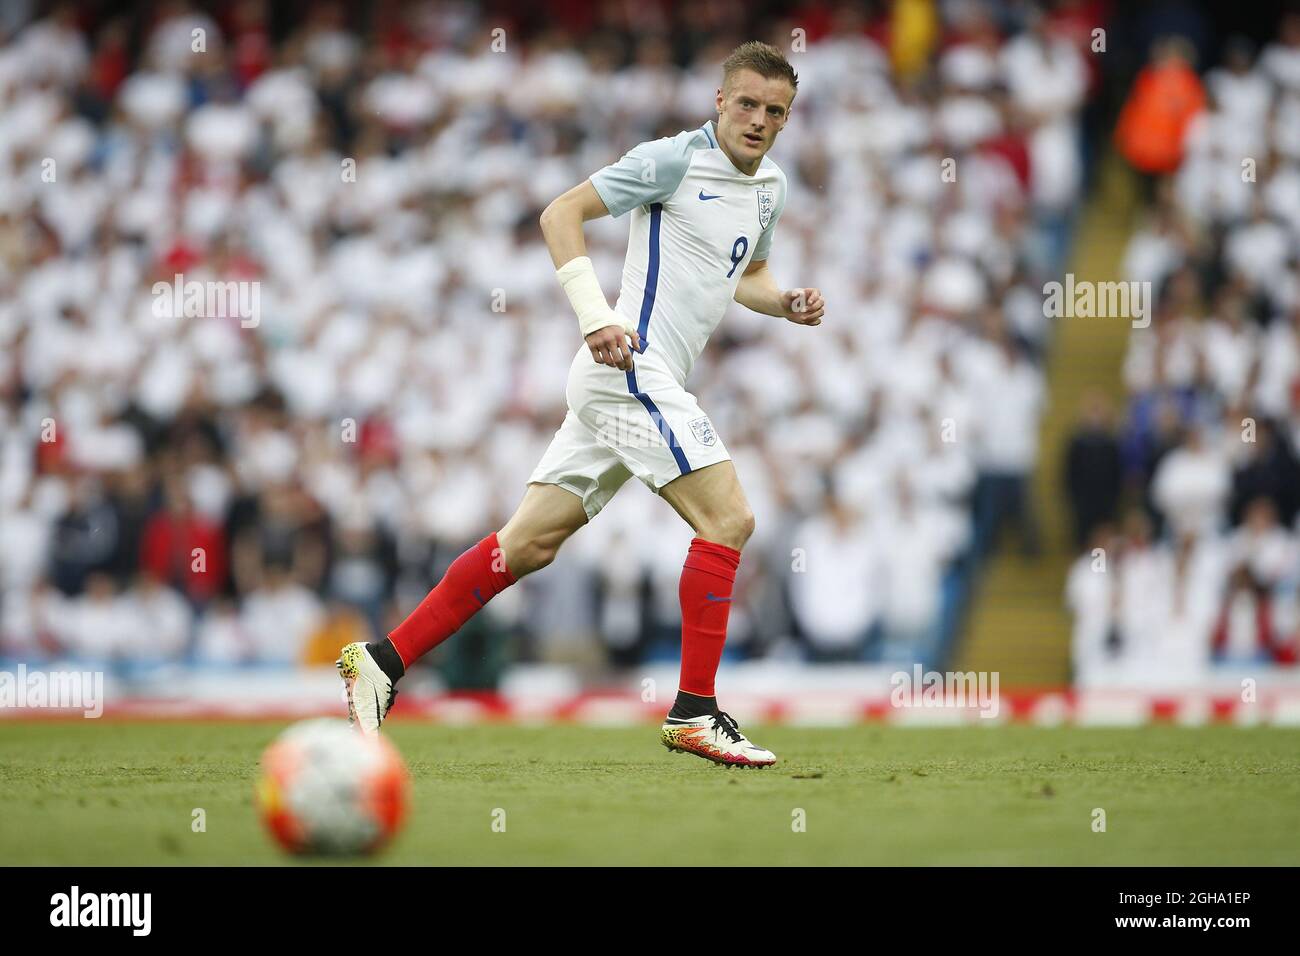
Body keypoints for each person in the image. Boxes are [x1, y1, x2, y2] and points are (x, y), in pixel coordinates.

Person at [336, 42, 825, 767]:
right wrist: (595, 315)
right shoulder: (671, 159)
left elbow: (744, 272)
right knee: (730, 518)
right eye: (746, 103)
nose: (758, 119)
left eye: (774, 111)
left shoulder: (769, 187)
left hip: (631, 381)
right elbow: (560, 213)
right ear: (720, 101)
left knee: (526, 545)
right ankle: (694, 711)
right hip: (629, 365)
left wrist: (782, 301)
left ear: (787, 120)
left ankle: (382, 659)